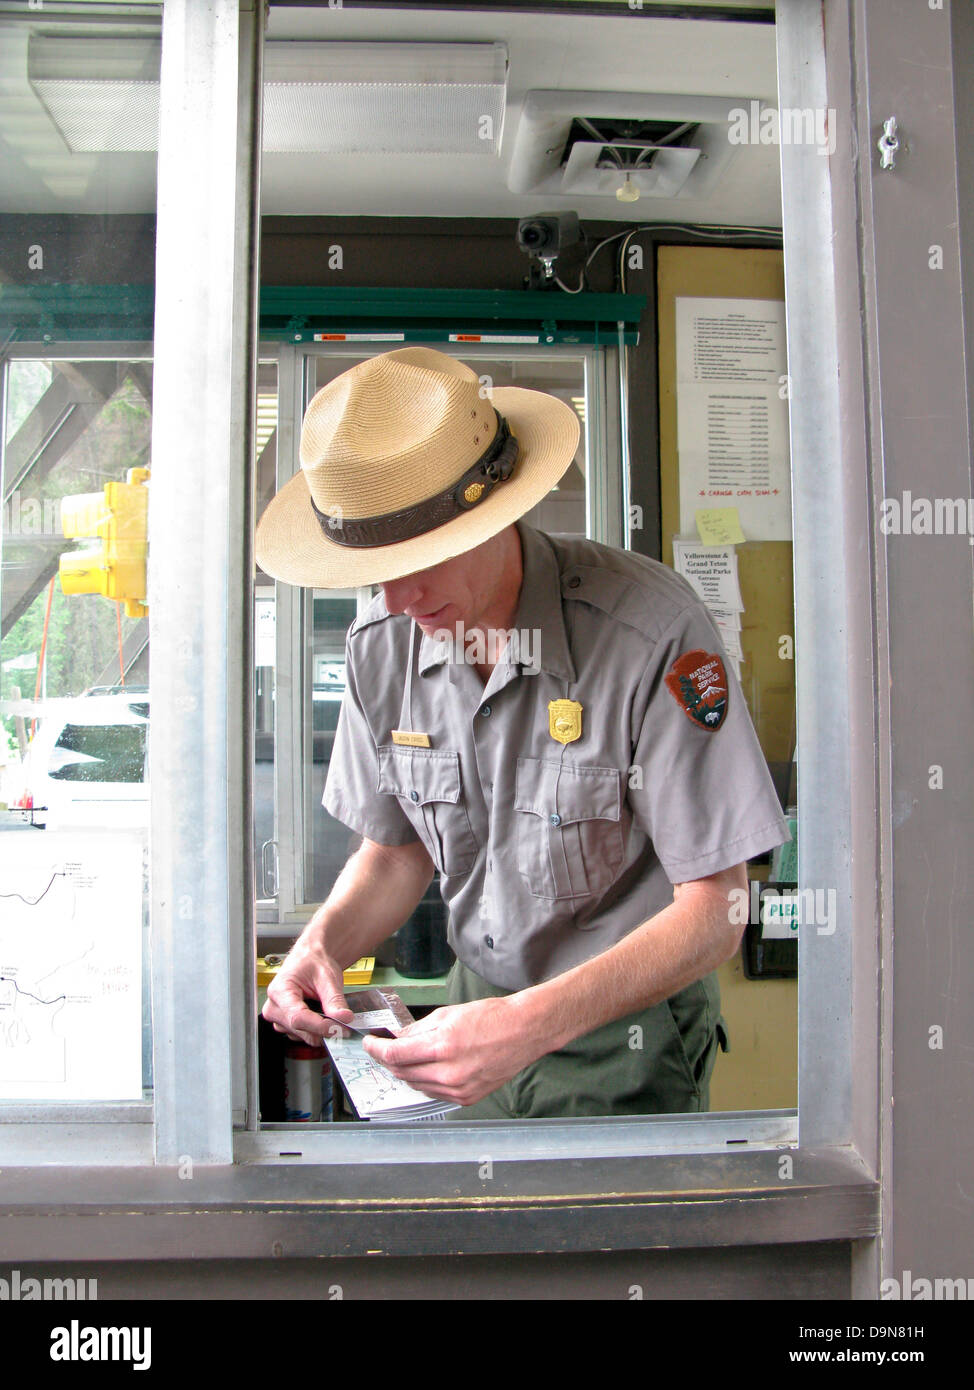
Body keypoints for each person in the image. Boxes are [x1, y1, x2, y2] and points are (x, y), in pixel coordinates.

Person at [256, 346, 789, 1119]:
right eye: (375, 569)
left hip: (622, 1034)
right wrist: (324, 946)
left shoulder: (652, 633)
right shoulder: (383, 643)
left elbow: (716, 912)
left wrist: (525, 1027)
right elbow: (396, 850)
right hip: (469, 1018)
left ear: (494, 513)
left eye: (423, 560)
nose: (400, 599)